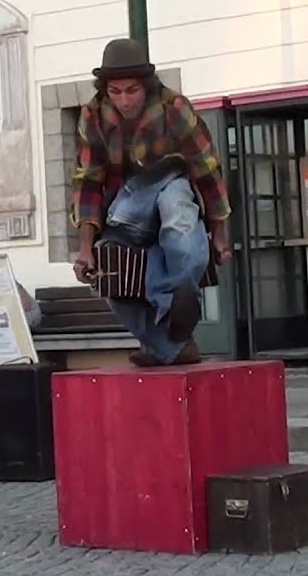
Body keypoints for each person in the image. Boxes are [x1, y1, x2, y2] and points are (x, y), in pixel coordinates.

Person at [70, 38, 232, 366]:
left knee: (176, 215)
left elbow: (207, 168)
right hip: (127, 208)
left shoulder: (174, 109)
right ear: (106, 90)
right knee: (110, 275)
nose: (124, 100)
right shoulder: (93, 115)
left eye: (132, 91)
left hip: (171, 181)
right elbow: (88, 180)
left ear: (146, 85)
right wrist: (86, 248)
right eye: (115, 92)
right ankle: (172, 345)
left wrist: (220, 233)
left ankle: (175, 300)